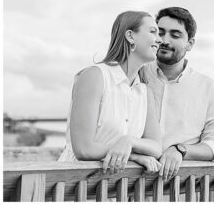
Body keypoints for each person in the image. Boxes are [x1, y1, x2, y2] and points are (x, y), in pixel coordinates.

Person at [60, 11, 162, 173]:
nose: (160, 39)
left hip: (115, 188)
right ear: (130, 36)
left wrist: (129, 142)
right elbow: (83, 149)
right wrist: (133, 156)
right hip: (76, 183)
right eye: (152, 32)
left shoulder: (145, 91)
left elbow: (156, 147)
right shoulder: (94, 76)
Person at [139, 7, 214, 181]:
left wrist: (180, 150)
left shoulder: (208, 88)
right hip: (130, 185)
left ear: (190, 44)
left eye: (175, 35)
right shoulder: (136, 75)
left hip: (179, 188)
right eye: (160, 32)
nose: (165, 40)